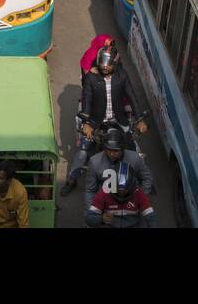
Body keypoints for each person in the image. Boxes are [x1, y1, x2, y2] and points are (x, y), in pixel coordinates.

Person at [63, 45, 147, 195]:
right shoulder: (91, 77)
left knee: (134, 148)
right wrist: (87, 123)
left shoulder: (122, 75)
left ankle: (141, 180)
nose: (104, 66)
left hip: (118, 119)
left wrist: (140, 119)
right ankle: (71, 179)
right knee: (83, 150)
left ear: (115, 63)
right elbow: (87, 101)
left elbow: (132, 97)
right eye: (102, 61)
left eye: (108, 63)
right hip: (96, 121)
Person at [81, 126, 155, 215]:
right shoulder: (94, 162)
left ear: (122, 148)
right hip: (106, 206)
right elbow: (90, 190)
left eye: (116, 151)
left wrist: (140, 197)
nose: (112, 153)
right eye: (109, 150)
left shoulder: (135, 158)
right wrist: (92, 213)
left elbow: (147, 178)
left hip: (130, 205)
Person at [86, 170, 156, 228]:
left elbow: (151, 217)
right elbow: (89, 219)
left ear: (132, 186)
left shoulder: (138, 193)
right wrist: (101, 218)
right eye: (118, 188)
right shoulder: (104, 192)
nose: (121, 192)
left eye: (125, 189)